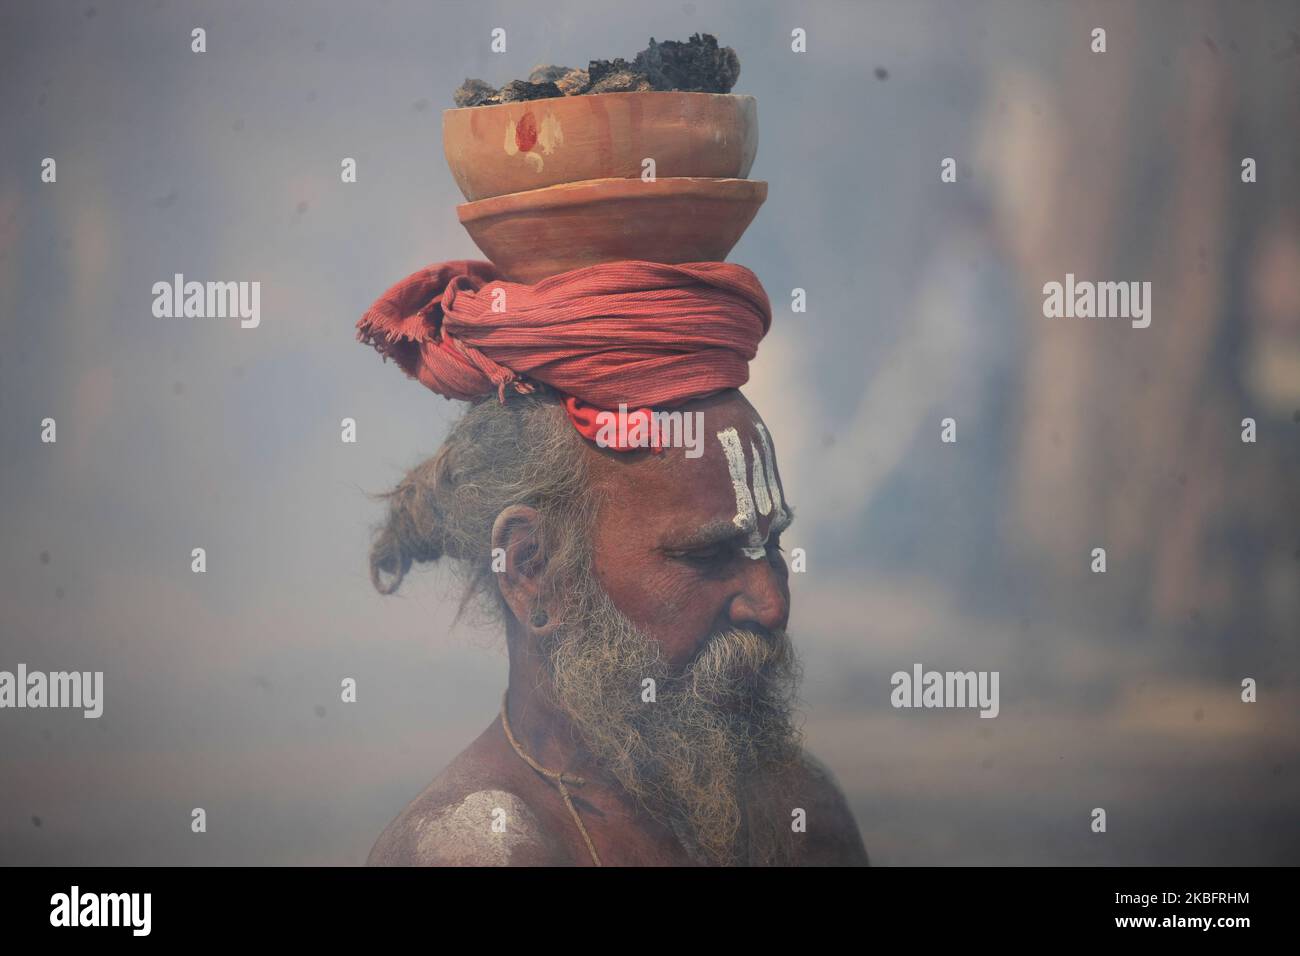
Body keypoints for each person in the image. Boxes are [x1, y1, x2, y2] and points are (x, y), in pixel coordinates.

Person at [357, 259, 869, 866]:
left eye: (773, 547)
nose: (772, 605)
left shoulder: (800, 814)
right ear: (532, 571)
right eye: (706, 555)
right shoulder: (482, 853)